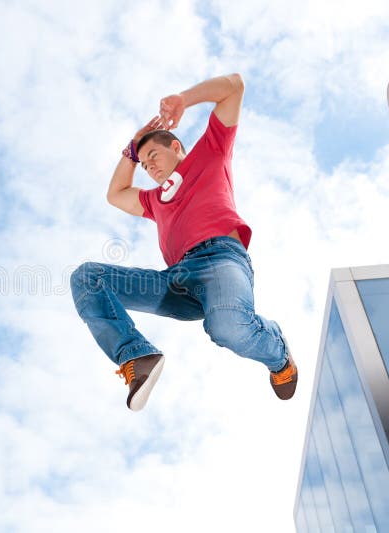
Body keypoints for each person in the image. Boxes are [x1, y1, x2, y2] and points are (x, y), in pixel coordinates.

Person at [70, 73, 297, 411]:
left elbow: (234, 87)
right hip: (177, 282)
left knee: (227, 327)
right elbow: (115, 195)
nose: (150, 168)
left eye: (154, 158)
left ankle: (278, 355)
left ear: (175, 147)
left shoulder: (210, 154)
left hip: (221, 261)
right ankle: (138, 356)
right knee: (87, 277)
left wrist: (184, 99)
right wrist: (132, 149)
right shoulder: (154, 200)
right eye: (144, 165)